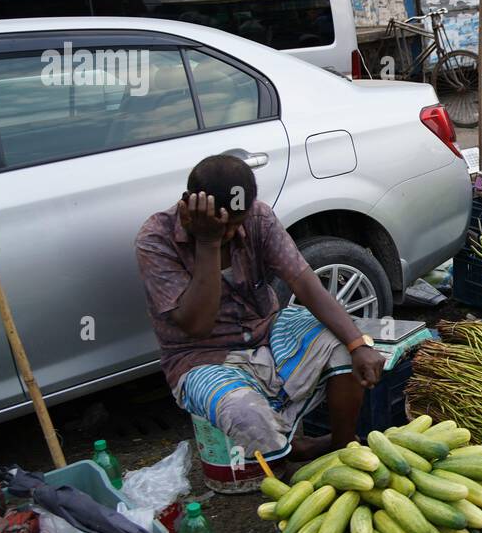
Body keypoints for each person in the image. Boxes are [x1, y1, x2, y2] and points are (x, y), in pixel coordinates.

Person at [135, 155, 385, 464]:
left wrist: (357, 343)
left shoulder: (257, 218)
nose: (231, 234)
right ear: (189, 205)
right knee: (246, 413)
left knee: (346, 346)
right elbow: (197, 325)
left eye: (236, 225)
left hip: (266, 331)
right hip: (200, 357)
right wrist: (209, 244)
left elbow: (304, 283)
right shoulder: (156, 239)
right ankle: (287, 476)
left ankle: (344, 450)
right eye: (223, 227)